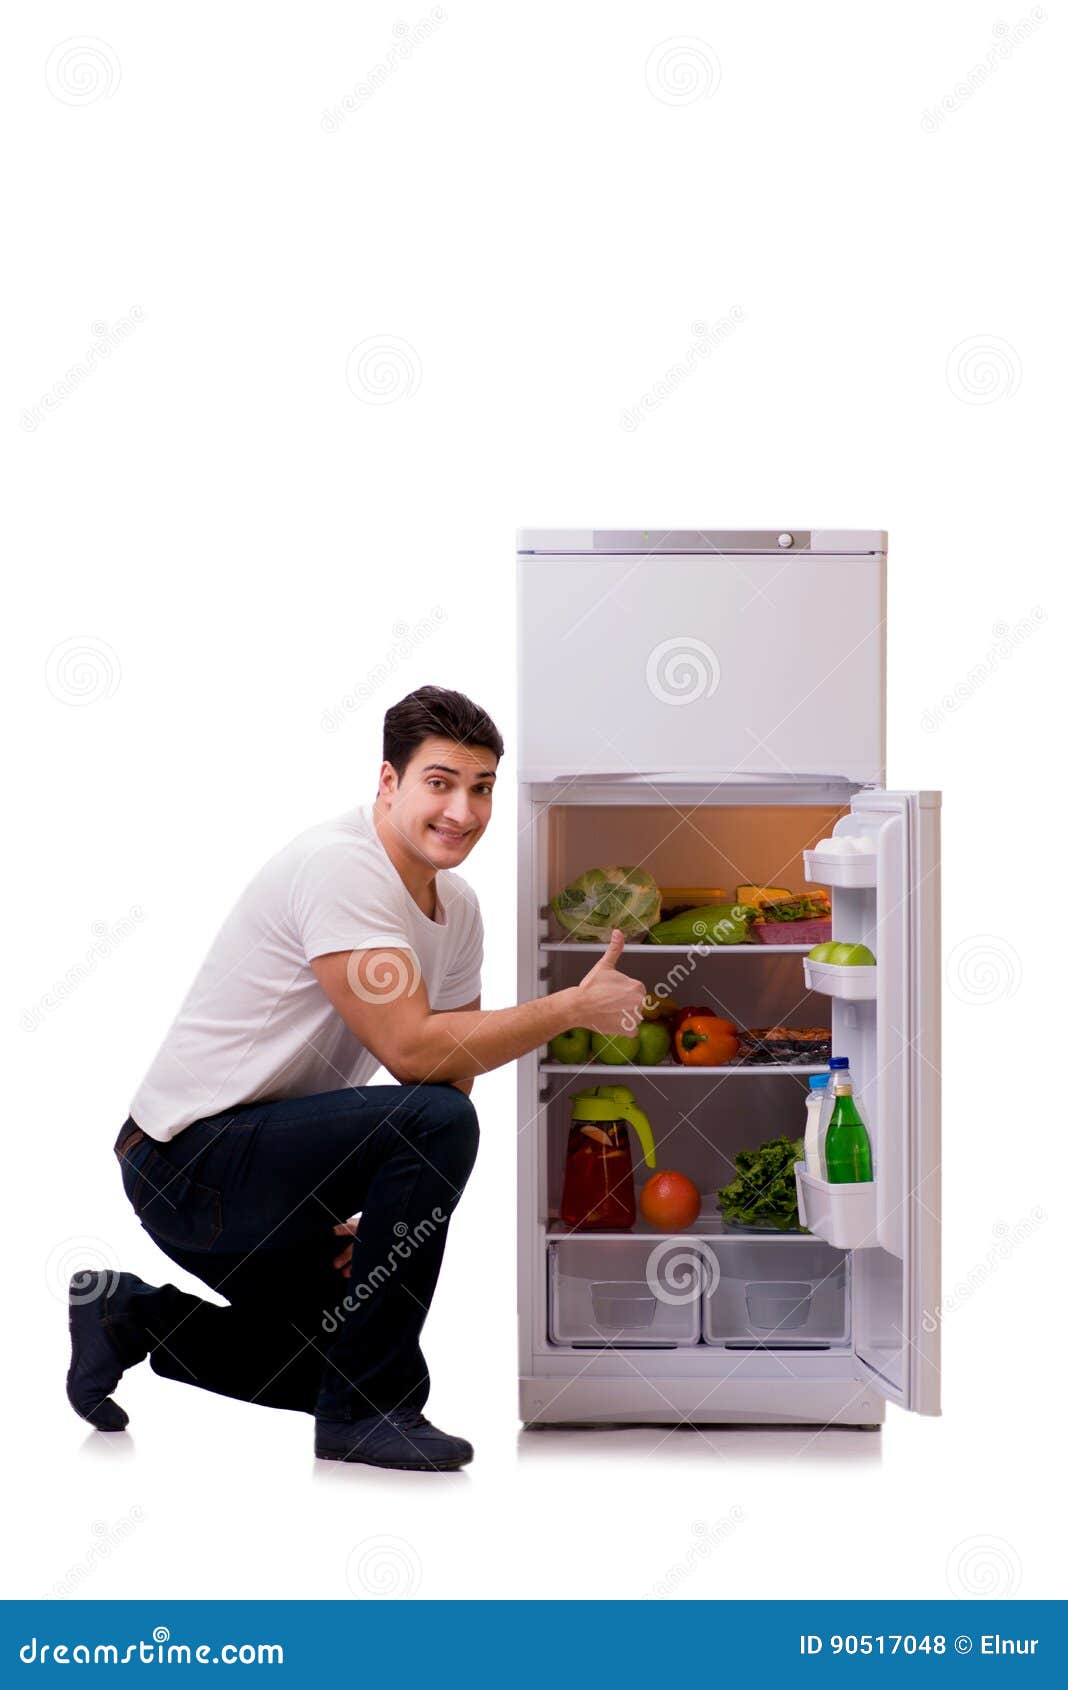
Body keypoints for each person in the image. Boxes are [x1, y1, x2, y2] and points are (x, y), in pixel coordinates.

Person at [66, 684, 645, 1470]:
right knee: (437, 1125)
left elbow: (454, 1063)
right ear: (387, 781)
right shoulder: (341, 867)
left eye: (481, 790)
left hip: (271, 1172)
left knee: (339, 1356)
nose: (464, 812)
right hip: (186, 1165)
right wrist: (572, 1005)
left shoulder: (459, 909)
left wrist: (377, 1202)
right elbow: (413, 1054)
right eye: (439, 783)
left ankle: (129, 1318)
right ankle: (370, 1416)